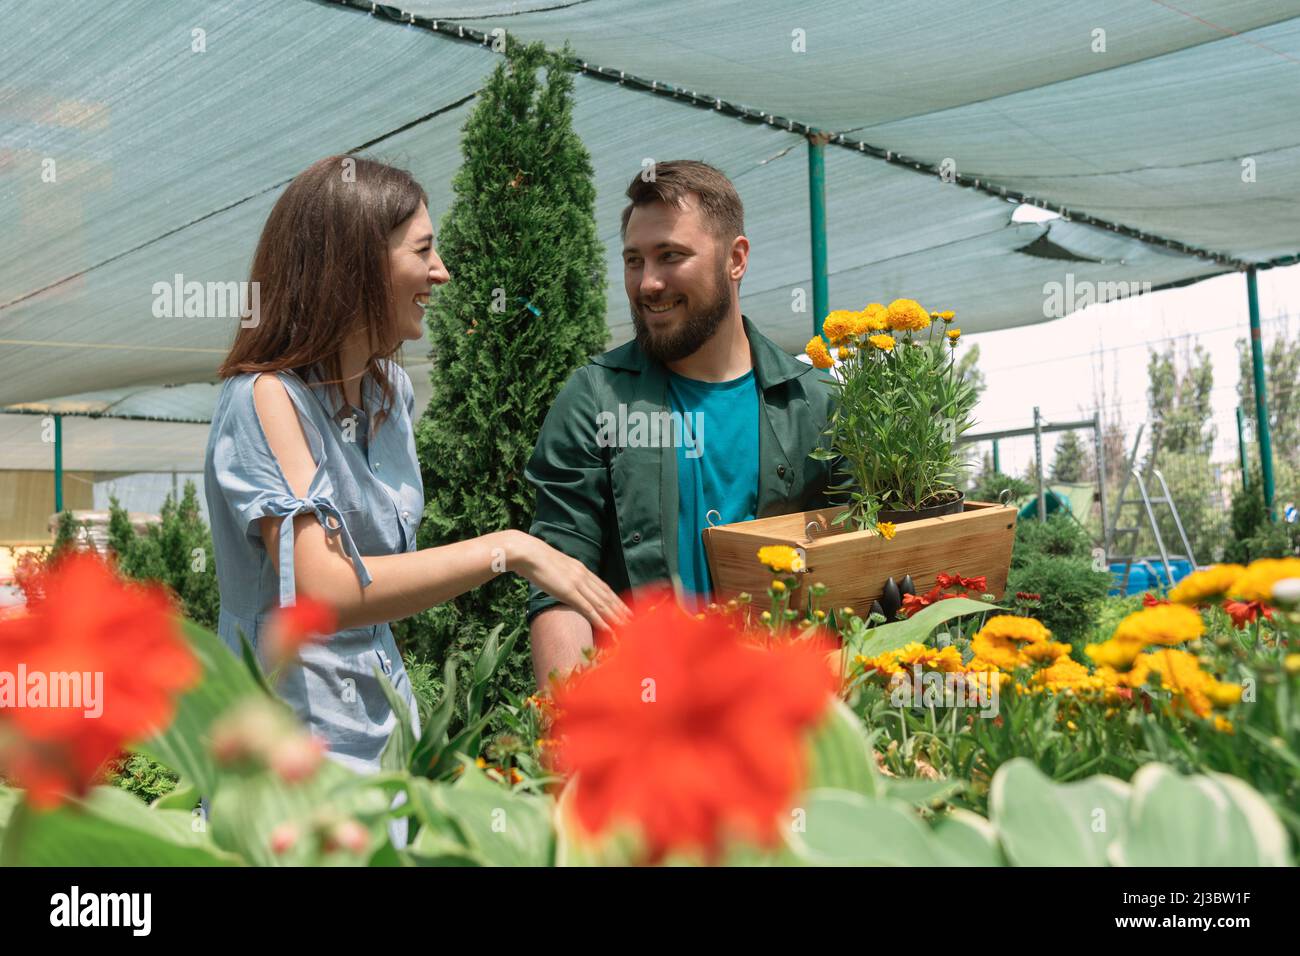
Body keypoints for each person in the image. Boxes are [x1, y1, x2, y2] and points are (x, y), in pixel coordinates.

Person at [204, 156, 630, 779]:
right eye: (423, 250)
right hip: (288, 757)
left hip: (387, 734)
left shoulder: (390, 395)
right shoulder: (265, 399)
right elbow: (324, 589)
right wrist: (510, 549)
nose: (442, 271)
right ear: (355, 265)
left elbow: (379, 583)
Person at [525, 159, 841, 689]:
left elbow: (850, 568)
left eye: (670, 256)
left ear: (735, 259)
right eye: (633, 260)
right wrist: (573, 732)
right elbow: (562, 585)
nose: (648, 283)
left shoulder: (813, 405)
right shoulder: (598, 399)